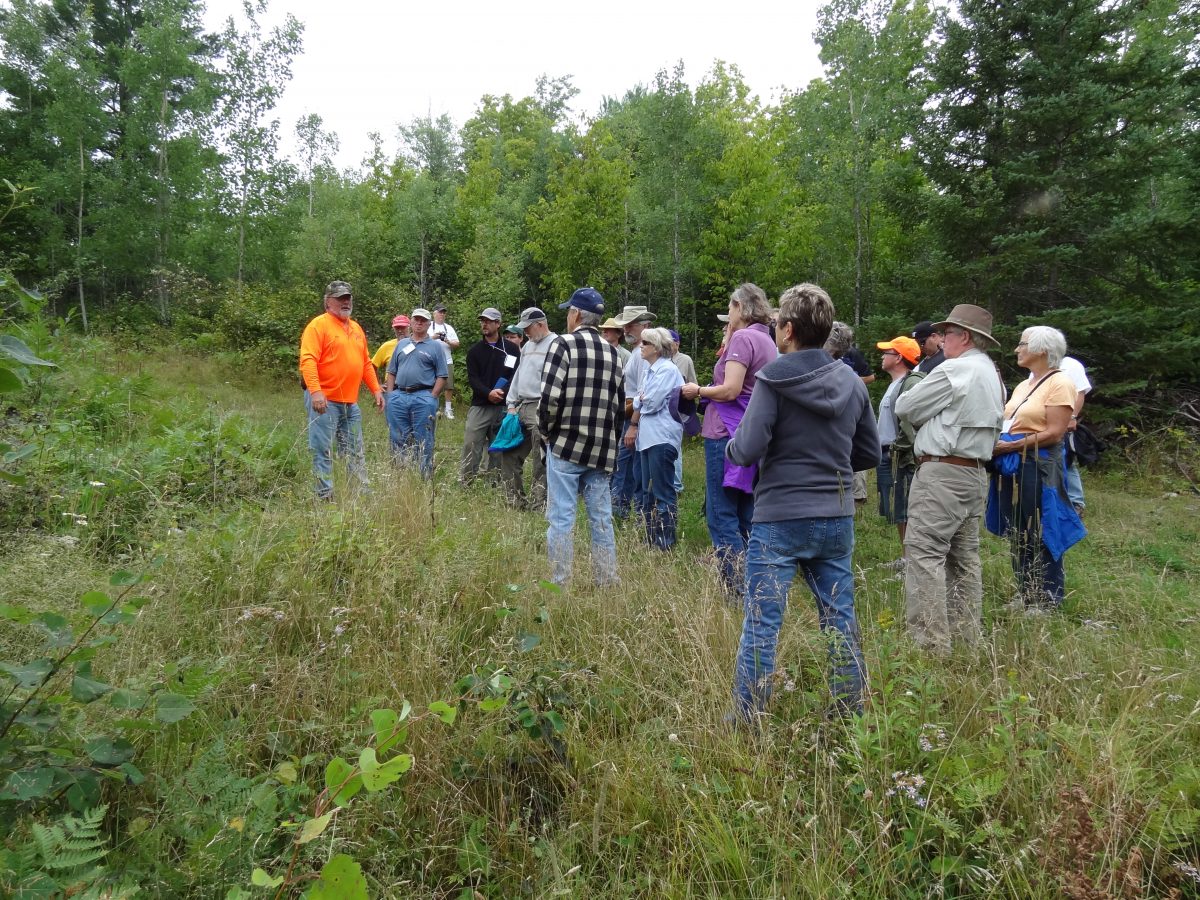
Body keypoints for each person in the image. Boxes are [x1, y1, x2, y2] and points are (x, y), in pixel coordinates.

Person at [726, 283, 879, 723]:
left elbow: (748, 447)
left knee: (762, 623)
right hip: (835, 513)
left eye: (777, 324)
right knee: (840, 619)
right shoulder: (851, 380)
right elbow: (868, 453)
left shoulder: (773, 380)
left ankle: (746, 721)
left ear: (788, 329)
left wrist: (735, 449)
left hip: (779, 517)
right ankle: (850, 719)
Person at [895, 304, 1004, 656]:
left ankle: (930, 647)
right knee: (964, 559)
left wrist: (929, 420)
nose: (942, 341)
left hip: (942, 471)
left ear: (965, 337)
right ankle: (968, 639)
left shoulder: (956, 370)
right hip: (974, 473)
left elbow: (906, 407)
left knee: (925, 553)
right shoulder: (992, 374)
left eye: (949, 334)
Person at [681, 284, 777, 599]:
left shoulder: (743, 338)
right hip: (752, 433)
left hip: (725, 432)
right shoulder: (768, 340)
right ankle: (755, 586)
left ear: (739, 306)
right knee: (745, 512)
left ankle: (735, 591)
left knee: (721, 513)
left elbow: (731, 389)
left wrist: (699, 390)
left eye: (730, 308)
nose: (729, 315)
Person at [987, 326, 1085, 612]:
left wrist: (1008, 447)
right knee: (1019, 527)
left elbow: (1055, 432)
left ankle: (1048, 599)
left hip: (1038, 464)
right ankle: (1026, 592)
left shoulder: (1060, 383)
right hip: (1014, 465)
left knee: (1041, 527)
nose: (1017, 349)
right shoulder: (1024, 385)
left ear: (1042, 350)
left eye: (1022, 344)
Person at [540, 287, 624, 587]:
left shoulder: (564, 345)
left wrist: (547, 434)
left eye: (568, 311)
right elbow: (617, 406)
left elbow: (549, 397)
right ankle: (607, 582)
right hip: (601, 450)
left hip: (566, 445)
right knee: (602, 520)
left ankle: (559, 584)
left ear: (576, 314)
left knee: (561, 518)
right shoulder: (615, 354)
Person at [298, 281, 384, 501]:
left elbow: (365, 363)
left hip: (350, 403)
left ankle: (360, 492)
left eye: (348, 298)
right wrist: (316, 392)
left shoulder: (355, 328)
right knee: (322, 448)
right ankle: (324, 495)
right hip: (325, 400)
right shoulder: (318, 326)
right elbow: (308, 360)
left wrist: (376, 389)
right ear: (328, 302)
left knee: (355, 449)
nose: (346, 302)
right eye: (340, 298)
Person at [627, 327, 684, 550]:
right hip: (648, 438)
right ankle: (651, 539)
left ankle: (665, 542)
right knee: (648, 491)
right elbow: (639, 400)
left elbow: (649, 403)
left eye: (646, 343)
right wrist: (641, 399)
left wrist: (641, 399)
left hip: (661, 437)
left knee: (662, 490)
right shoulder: (649, 371)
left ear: (657, 348)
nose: (641, 346)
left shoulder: (667, 370)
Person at [500, 307, 557, 510]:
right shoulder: (527, 346)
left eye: (528, 329)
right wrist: (511, 403)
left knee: (540, 459)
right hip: (520, 406)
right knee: (508, 454)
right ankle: (514, 501)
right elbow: (519, 374)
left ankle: (539, 504)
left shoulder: (556, 344)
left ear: (540, 324)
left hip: (541, 407)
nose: (526, 333)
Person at [874, 336, 923, 564]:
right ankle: (906, 558)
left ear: (899, 358)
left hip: (900, 456)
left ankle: (911, 559)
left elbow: (910, 423)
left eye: (888, 353)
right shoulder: (895, 384)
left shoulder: (909, 384)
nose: (882, 357)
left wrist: (897, 449)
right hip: (888, 454)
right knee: (897, 508)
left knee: (905, 507)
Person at [383, 308, 448, 478]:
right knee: (397, 436)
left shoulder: (435, 347)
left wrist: (432, 397)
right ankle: (401, 475)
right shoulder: (402, 344)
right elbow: (391, 372)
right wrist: (390, 396)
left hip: (423, 397)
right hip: (399, 396)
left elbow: (442, 375)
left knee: (423, 438)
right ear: (411, 322)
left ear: (428, 324)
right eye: (416, 320)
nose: (419, 323)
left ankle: (423, 476)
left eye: (423, 320)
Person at [460, 308, 517, 484]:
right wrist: (488, 393)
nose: (484, 324)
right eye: (482, 321)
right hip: (480, 405)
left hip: (503, 405)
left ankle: (495, 483)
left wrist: (503, 393)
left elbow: (515, 375)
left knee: (499, 447)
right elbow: (473, 378)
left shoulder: (512, 349)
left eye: (489, 321)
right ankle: (467, 481)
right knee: (471, 444)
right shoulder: (475, 351)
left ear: (498, 324)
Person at [611, 305, 657, 519]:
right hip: (629, 418)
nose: (626, 329)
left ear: (645, 325)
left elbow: (642, 394)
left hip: (632, 419)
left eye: (631, 325)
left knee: (628, 469)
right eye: (625, 325)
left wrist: (632, 425)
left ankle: (623, 513)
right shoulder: (640, 353)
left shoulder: (642, 354)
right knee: (629, 469)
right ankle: (632, 514)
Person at [826, 321, 874, 508]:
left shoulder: (853, 356)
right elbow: (871, 450)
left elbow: (870, 376)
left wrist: (851, 382)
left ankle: (857, 496)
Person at [1037, 354, 1091, 515]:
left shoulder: (1070, 364)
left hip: (1062, 419)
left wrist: (1072, 417)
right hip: (1042, 421)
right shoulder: (1038, 367)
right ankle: (1050, 497)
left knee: (1066, 458)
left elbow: (1080, 392)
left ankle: (1076, 502)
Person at [668, 328, 697, 494]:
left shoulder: (685, 360)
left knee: (676, 447)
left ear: (677, 343)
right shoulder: (659, 359)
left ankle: (677, 486)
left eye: (670, 342)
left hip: (678, 406)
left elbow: (693, 382)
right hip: (662, 408)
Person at [429, 304, 460, 419]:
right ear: (434, 313)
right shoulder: (428, 326)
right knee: (430, 384)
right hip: (431, 361)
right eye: (440, 312)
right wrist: (434, 337)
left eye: (443, 312)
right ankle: (433, 407)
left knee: (449, 386)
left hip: (447, 360)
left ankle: (448, 409)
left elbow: (457, 344)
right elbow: (422, 340)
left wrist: (448, 341)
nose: (442, 314)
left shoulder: (449, 328)